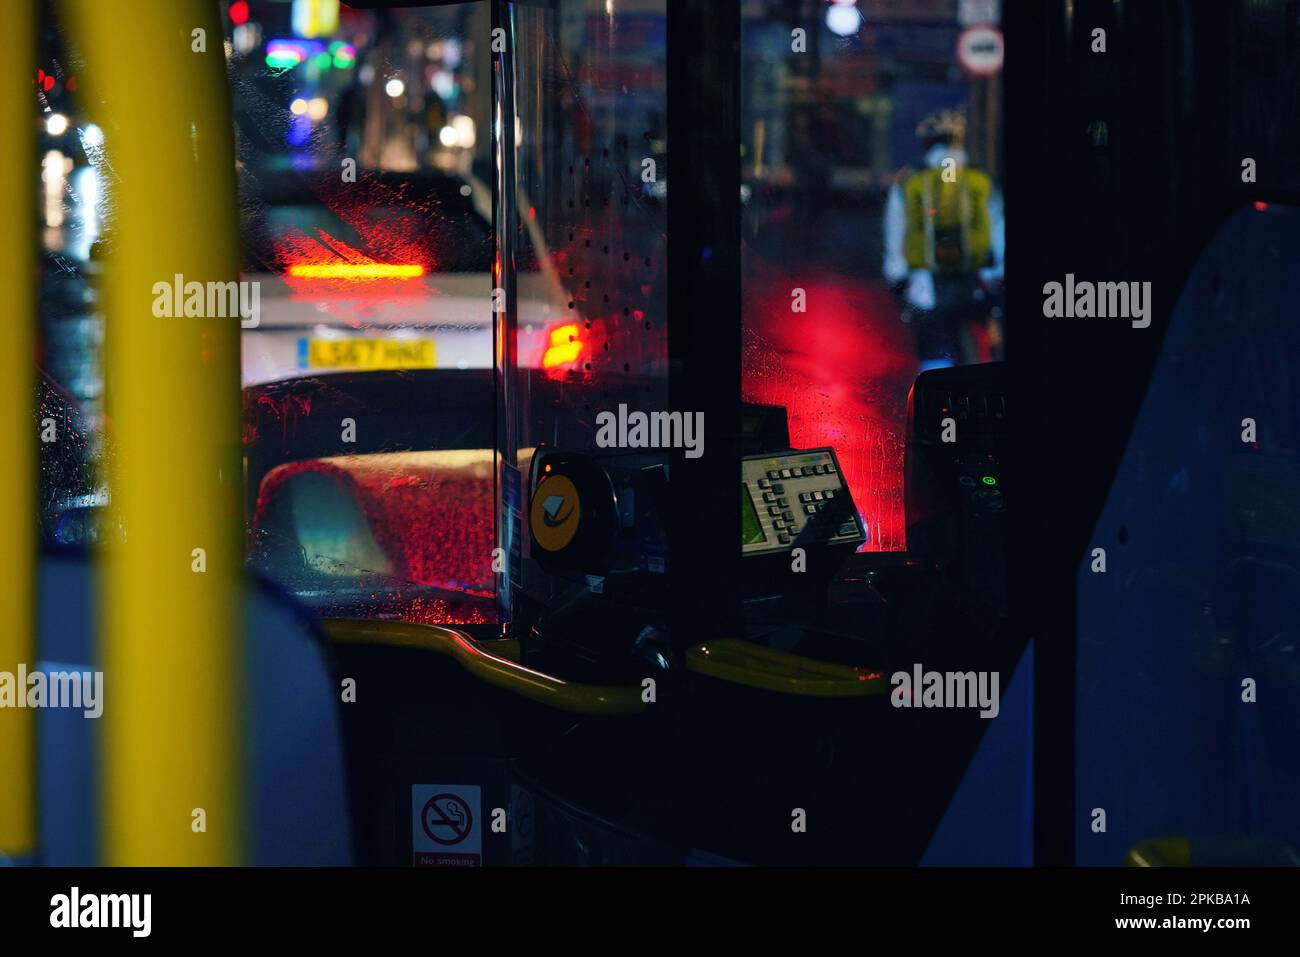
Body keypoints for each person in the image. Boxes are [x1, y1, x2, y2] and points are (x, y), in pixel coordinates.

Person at [883, 110, 1004, 369]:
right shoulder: (979, 179)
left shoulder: (910, 181)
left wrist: (897, 276)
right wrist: (995, 273)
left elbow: (896, 233)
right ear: (959, 140)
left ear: (926, 143)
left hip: (924, 285)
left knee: (934, 359)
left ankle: (935, 403)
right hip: (975, 283)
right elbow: (998, 229)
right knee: (979, 357)